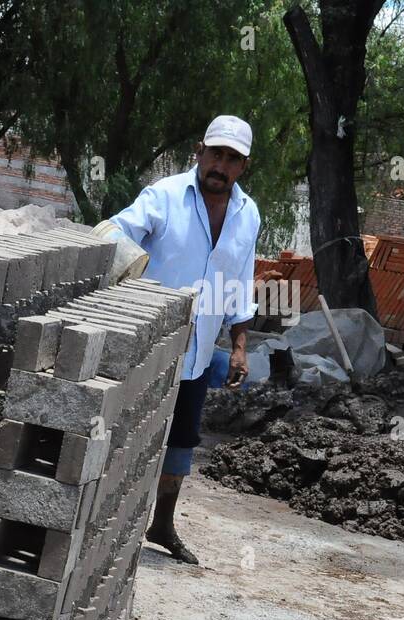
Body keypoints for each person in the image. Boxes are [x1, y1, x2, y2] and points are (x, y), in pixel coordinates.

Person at [109, 115, 261, 565]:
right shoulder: (165, 196)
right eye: (216, 153)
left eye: (232, 158)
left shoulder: (246, 214)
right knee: (130, 434)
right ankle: (112, 524)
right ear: (200, 151)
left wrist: (238, 345)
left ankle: (162, 523)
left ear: (242, 167)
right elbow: (117, 232)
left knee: (181, 441)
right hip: (149, 347)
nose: (221, 164)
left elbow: (242, 281)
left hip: (196, 351)